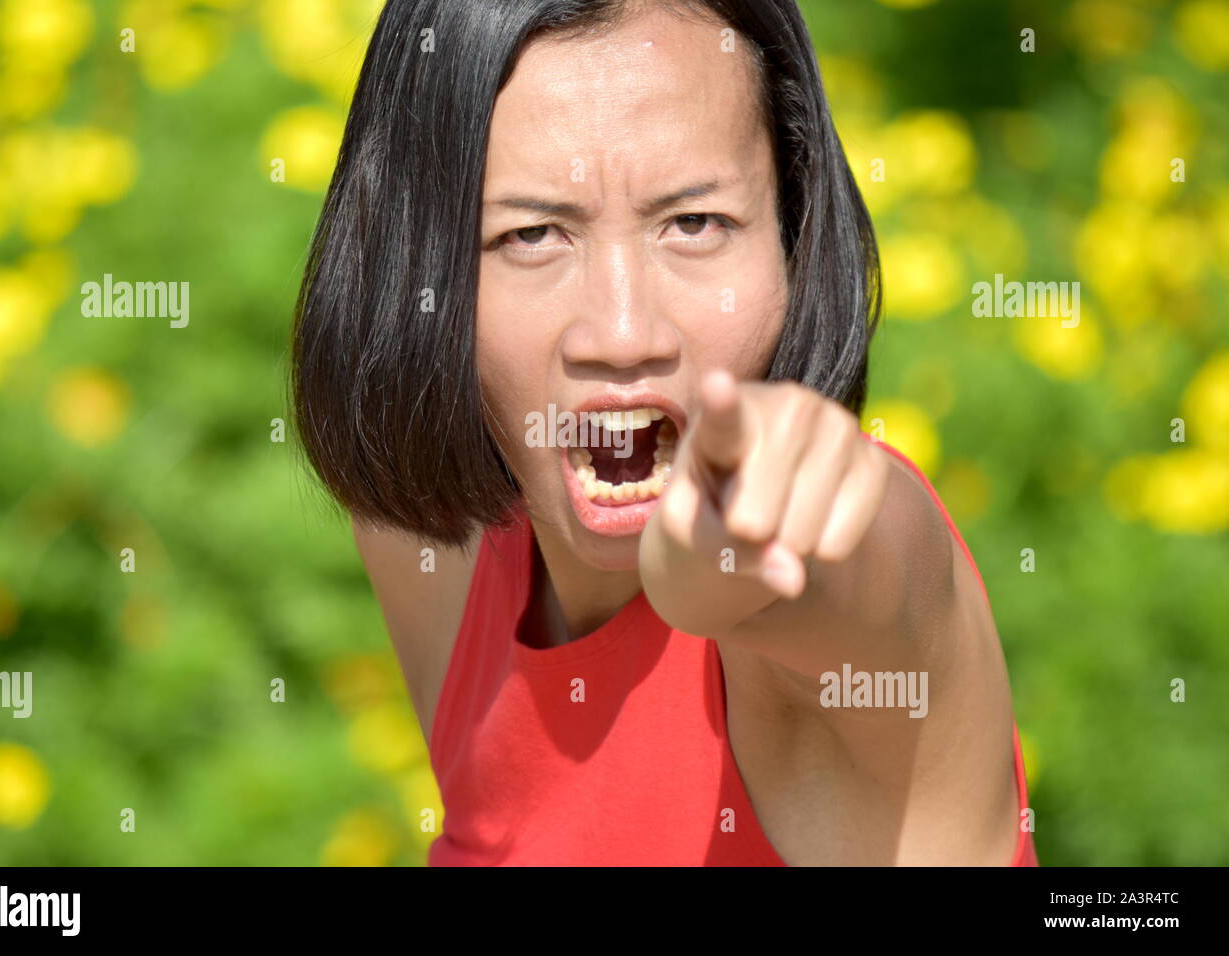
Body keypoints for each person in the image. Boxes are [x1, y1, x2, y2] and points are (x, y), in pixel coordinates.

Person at [292, 0, 1038, 866]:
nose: (622, 333)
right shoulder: (434, 555)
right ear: (416, 271)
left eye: (694, 224)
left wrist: (741, 539)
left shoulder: (871, 552)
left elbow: (846, 566)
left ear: (794, 238)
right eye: (531, 234)